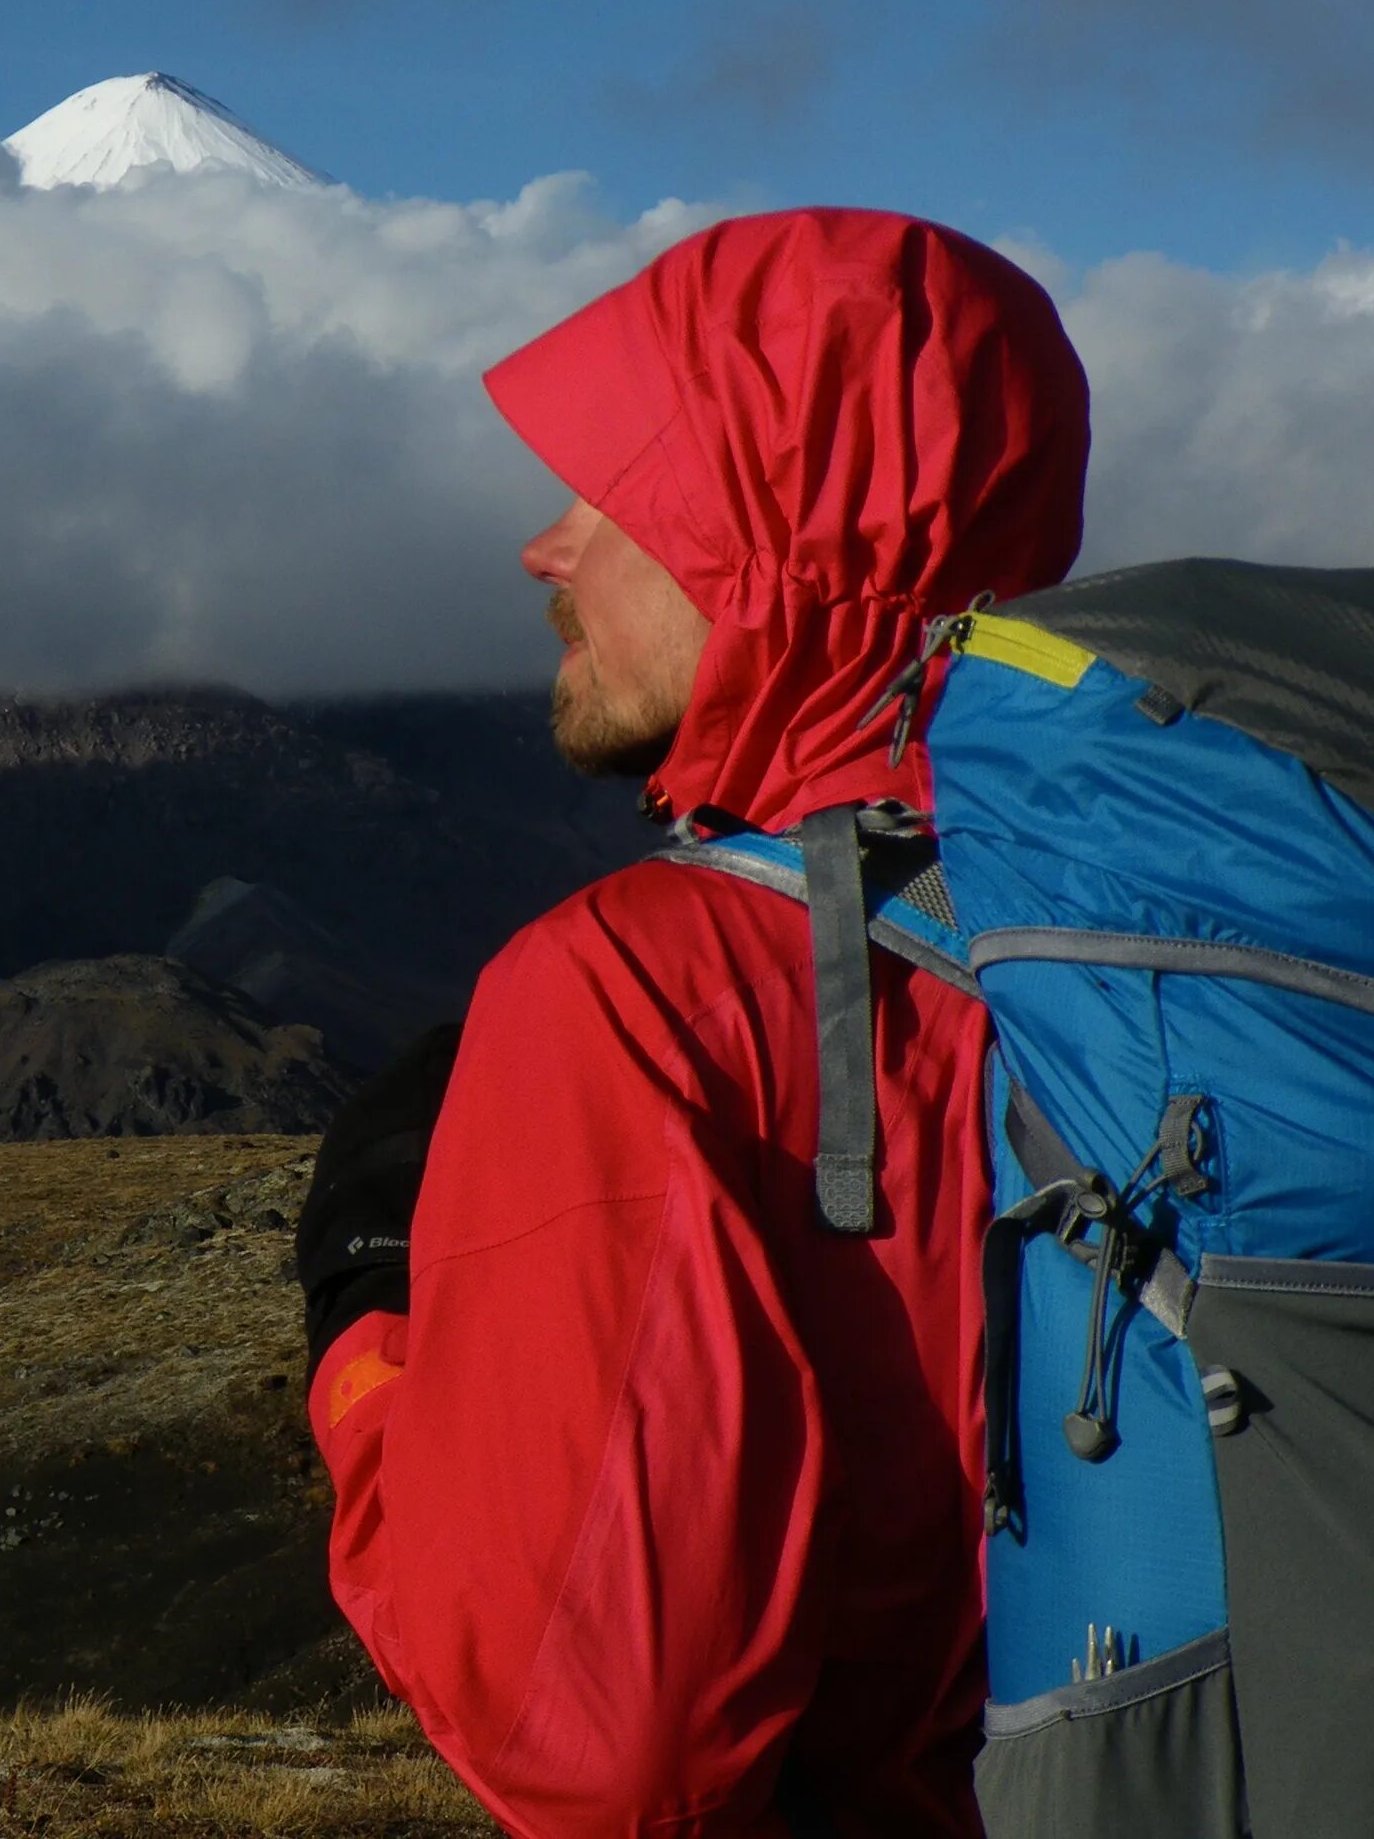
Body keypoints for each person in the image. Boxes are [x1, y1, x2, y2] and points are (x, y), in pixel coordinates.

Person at [294, 208, 1092, 1838]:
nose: (546, 545)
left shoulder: (641, 992)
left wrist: (369, 1350)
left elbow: (603, 1750)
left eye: (609, 483)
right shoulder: (1182, 912)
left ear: (762, 535)